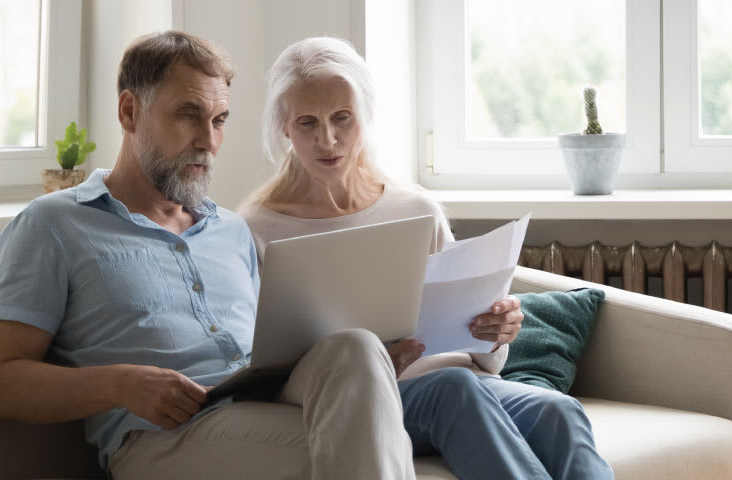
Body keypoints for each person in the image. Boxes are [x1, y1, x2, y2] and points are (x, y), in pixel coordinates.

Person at [0, 31, 415, 480]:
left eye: (219, 120)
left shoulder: (233, 230)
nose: (208, 140)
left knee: (355, 347)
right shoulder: (53, 224)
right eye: (189, 115)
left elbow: (272, 354)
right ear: (130, 111)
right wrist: (122, 383)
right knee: (361, 447)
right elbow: (0, 385)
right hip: (162, 437)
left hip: (259, 403)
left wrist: (374, 369)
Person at [239, 37, 615, 480]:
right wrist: (368, 366)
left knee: (560, 412)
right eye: (307, 123)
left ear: (365, 116)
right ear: (284, 127)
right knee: (452, 390)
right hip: (370, 401)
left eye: (342, 118)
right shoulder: (257, 229)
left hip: (463, 381)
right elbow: (254, 367)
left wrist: (496, 333)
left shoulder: (415, 209)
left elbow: (478, 350)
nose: (328, 139)